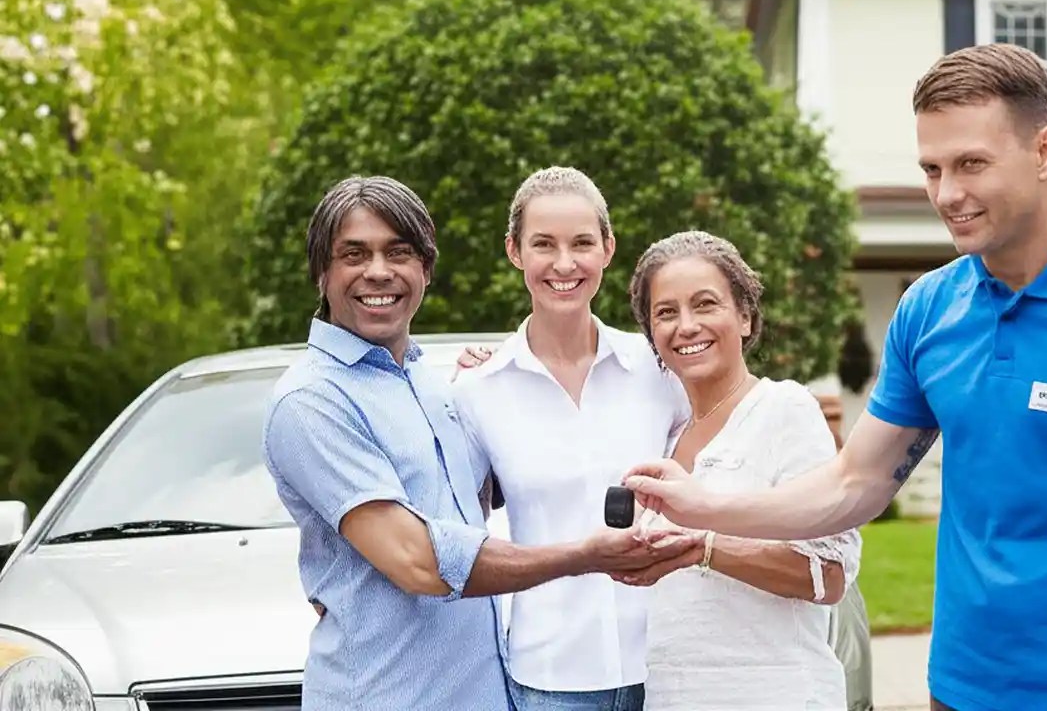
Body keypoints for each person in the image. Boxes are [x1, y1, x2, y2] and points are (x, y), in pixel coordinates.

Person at [624, 43, 1047, 711]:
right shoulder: (929, 310)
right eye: (932, 168)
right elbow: (855, 482)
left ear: (1044, 151)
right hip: (962, 689)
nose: (947, 194)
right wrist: (705, 508)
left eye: (971, 164)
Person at [260, 175, 698, 711]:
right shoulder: (311, 401)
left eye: (398, 252)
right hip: (385, 695)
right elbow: (415, 560)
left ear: (425, 268)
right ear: (321, 271)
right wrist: (583, 555)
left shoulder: (430, 382)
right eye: (354, 254)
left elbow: (474, 499)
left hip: (489, 690)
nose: (378, 271)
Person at [449, 166, 693, 711]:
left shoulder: (659, 369)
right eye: (544, 244)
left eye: (582, 242)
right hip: (551, 677)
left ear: (608, 248)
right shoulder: (477, 390)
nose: (564, 264)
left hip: (671, 666)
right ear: (514, 251)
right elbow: (459, 530)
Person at [617, 230, 868, 710]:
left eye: (705, 304)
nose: (685, 325)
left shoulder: (783, 409)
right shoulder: (664, 432)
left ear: (746, 316)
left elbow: (829, 573)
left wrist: (703, 548)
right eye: (665, 313)